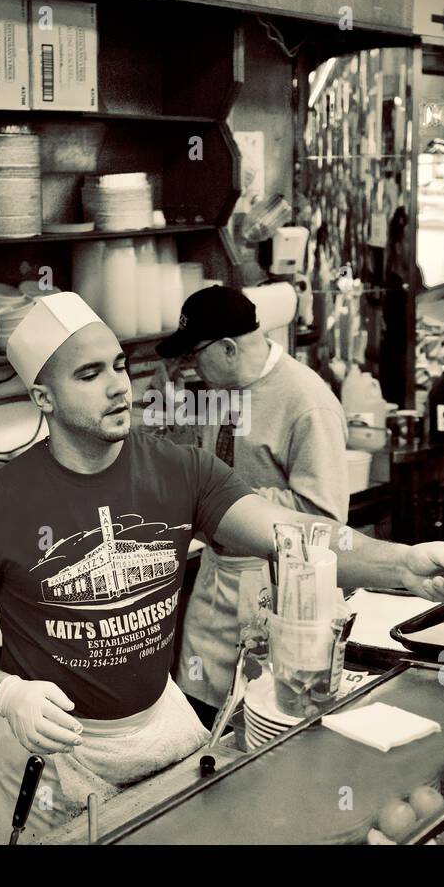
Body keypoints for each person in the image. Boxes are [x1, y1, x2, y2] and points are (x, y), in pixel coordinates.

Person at [0, 292, 444, 843]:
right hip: (53, 754)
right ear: (44, 399)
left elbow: (295, 535)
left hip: (159, 730)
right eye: (89, 375)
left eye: (117, 366)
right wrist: (8, 694)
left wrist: (405, 566)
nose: (117, 387)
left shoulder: (180, 471)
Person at [154, 286, 349, 722]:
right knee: (199, 720)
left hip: (274, 585)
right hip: (214, 581)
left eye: (194, 356)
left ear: (226, 349)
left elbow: (326, 520)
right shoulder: (218, 389)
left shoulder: (306, 402)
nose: (190, 367)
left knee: (260, 724)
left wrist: (223, 502)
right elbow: (204, 461)